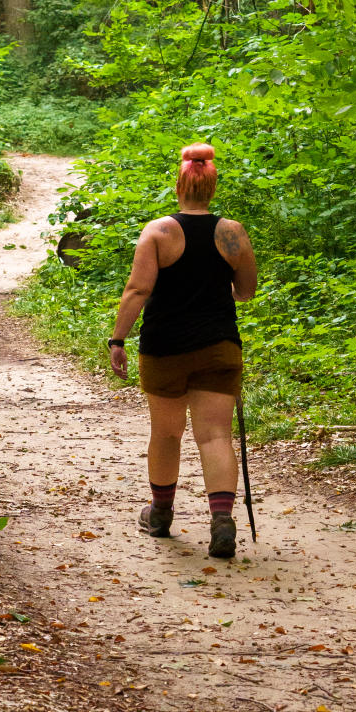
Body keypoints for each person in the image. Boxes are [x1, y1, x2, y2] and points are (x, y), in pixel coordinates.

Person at [107, 143, 258, 558]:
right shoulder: (233, 232)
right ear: (212, 184)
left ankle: (160, 515)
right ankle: (222, 523)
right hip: (219, 347)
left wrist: (118, 339)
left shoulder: (159, 231)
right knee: (214, 436)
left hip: (165, 348)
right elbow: (246, 291)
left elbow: (139, 289)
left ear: (180, 183)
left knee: (167, 433)